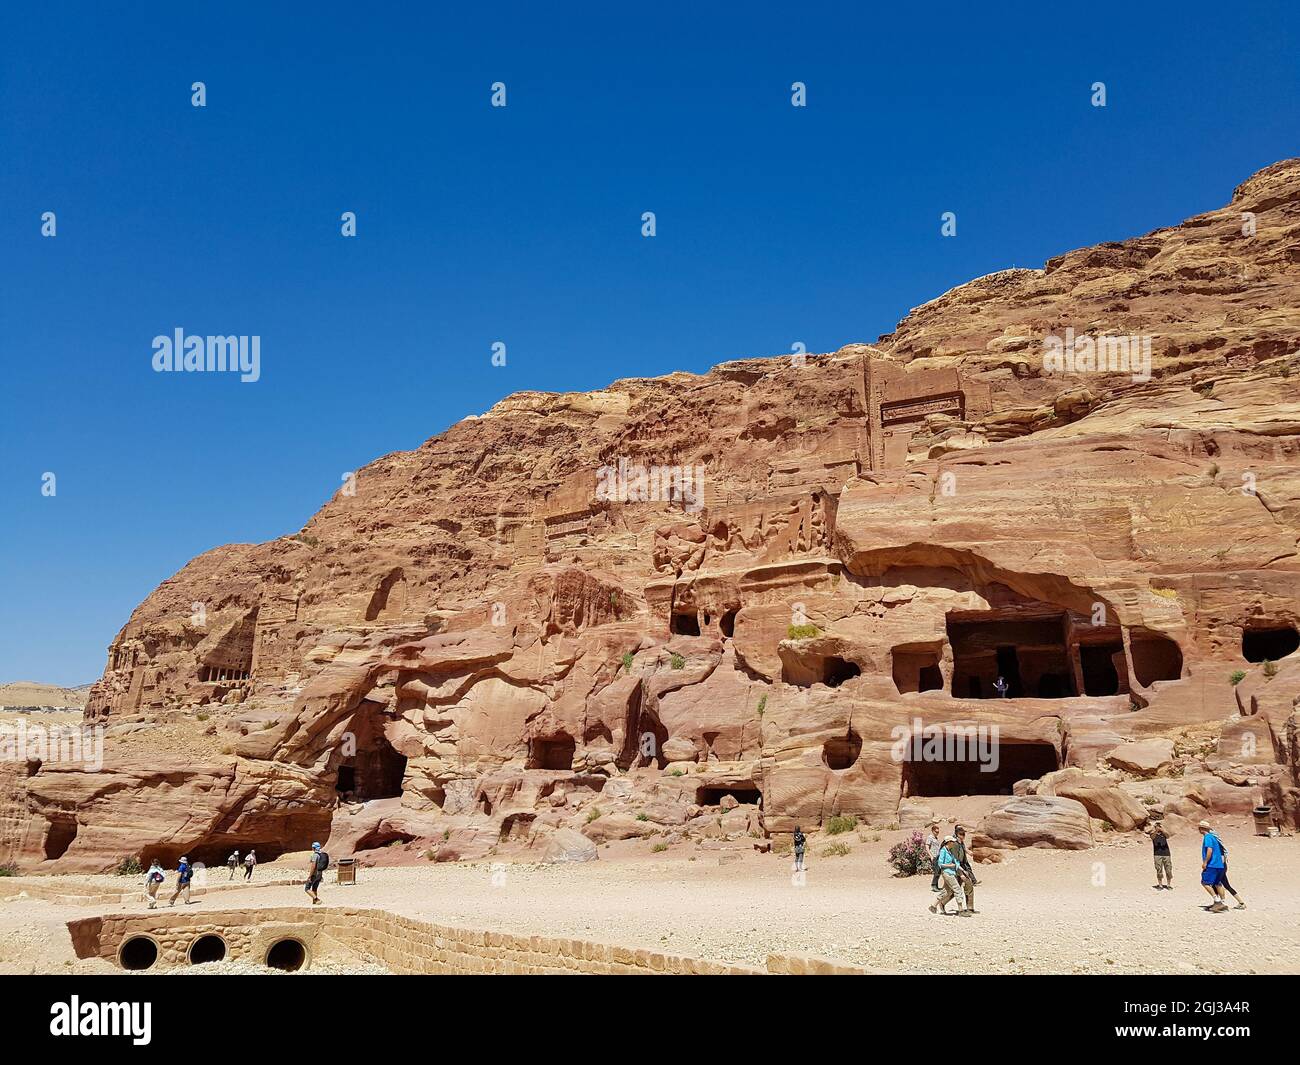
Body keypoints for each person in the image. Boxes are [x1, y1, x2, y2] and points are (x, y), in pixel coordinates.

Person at [929, 836, 971, 916]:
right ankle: (961, 910)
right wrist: (949, 866)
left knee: (947, 891)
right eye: (953, 842)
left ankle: (933, 906)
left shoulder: (949, 851)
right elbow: (940, 864)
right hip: (947, 873)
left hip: (951, 873)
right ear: (949, 842)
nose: (954, 843)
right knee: (957, 889)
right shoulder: (943, 851)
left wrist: (963, 870)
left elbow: (956, 863)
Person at [1199, 820, 1232, 913]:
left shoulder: (1207, 837)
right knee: (1218, 883)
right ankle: (1223, 902)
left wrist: (1205, 862)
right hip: (1219, 864)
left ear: (1202, 829)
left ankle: (1217, 901)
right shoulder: (1214, 837)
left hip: (1212, 864)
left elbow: (1209, 850)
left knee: (1205, 882)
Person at [950, 826, 978, 913]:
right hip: (956, 868)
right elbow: (954, 860)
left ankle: (970, 908)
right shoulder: (954, 844)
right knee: (952, 891)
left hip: (962, 866)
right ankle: (940, 903)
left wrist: (968, 852)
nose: (963, 836)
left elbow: (963, 849)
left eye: (963, 835)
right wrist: (960, 871)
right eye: (961, 835)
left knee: (969, 885)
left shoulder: (960, 842)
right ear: (956, 834)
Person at [1150, 823, 1172, 889]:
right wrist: (1156, 831)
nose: (1158, 827)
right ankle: (1160, 885)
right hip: (1157, 854)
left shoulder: (1164, 834)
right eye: (1157, 826)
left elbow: (1168, 836)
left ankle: (1168, 885)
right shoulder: (1153, 834)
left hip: (1166, 854)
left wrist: (1163, 830)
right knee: (1159, 869)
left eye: (1159, 826)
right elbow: (1152, 837)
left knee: (1168, 869)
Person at [926, 821, 943, 891]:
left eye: (938, 832)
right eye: (936, 832)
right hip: (934, 856)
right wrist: (931, 856)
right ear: (933, 831)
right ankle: (933, 885)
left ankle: (936, 885)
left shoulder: (935, 838)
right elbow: (927, 846)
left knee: (938, 871)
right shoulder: (930, 837)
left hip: (938, 856)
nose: (937, 833)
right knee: (937, 871)